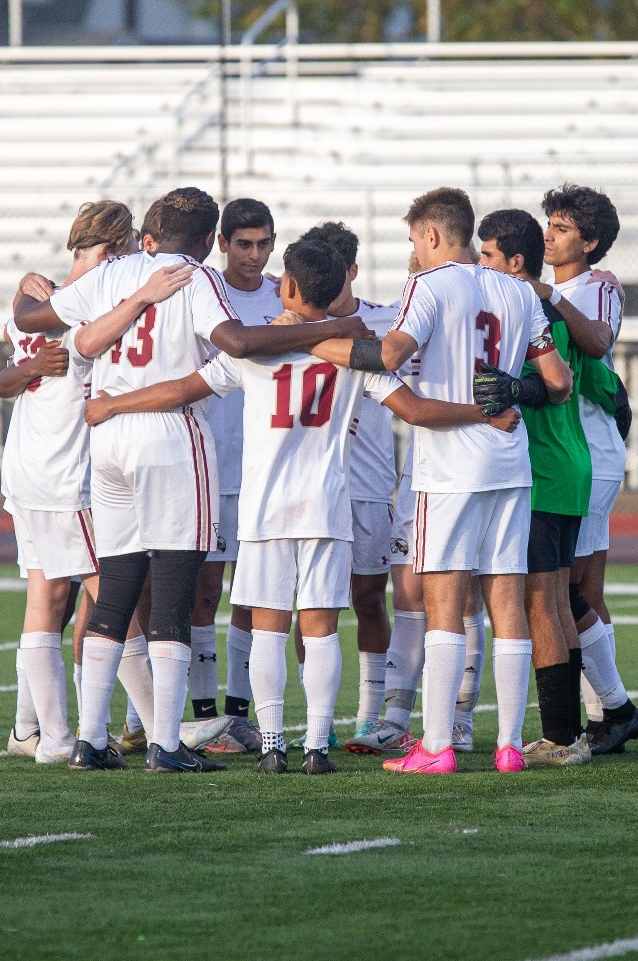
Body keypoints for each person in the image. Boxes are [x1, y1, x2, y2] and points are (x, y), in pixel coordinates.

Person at [85, 239, 516, 773]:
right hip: (326, 509)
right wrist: (483, 413)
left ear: (287, 285)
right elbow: (417, 410)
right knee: (321, 629)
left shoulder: (254, 351)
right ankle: (316, 746)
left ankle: (272, 746)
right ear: (337, 291)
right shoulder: (353, 354)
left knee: (268, 628)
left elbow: (181, 389)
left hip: (265, 511)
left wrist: (113, 404)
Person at [13, 187, 367, 773]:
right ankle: (166, 744)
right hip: (172, 435)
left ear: (151, 231)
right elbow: (237, 343)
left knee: (116, 588)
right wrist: (330, 327)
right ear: (209, 240)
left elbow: (31, 320)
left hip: (108, 435)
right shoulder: (196, 277)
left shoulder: (114, 272)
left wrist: (29, 287)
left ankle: (90, 739)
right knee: (175, 594)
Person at [323, 187, 571, 775]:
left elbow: (390, 354)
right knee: (505, 601)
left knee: (444, 603)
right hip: (511, 461)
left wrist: (316, 342)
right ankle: (509, 746)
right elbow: (557, 382)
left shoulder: (430, 285)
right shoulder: (518, 290)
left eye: (414, 237)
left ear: (432, 235)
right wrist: (514, 391)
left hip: (451, 465)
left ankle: (436, 745)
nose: (413, 248)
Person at [0, 200, 165, 765]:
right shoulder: (89, 304)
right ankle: (162, 730)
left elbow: (9, 364)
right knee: (115, 598)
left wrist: (24, 293)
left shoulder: (35, 302)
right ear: (112, 251)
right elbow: (21, 372)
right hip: (68, 475)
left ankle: (48, 737)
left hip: (27, 472)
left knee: (44, 599)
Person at [478, 208, 606, 766]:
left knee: (539, 604)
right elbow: (596, 374)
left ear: (515, 262)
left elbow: (557, 382)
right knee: (554, 600)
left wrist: (512, 390)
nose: (479, 264)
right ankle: (569, 734)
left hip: (546, 465)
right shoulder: (549, 308)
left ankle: (559, 736)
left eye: (487, 255)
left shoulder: (525, 308)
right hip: (570, 462)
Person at [294, 222, 411, 753]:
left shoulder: (387, 321)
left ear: (353, 272)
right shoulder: (285, 328)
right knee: (310, 606)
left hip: (367, 486)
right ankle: (316, 719)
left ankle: (369, 716)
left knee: (368, 597)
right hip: (309, 485)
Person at [541, 184, 638, 753]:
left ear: (590, 242)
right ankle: (602, 716)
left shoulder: (596, 286)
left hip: (588, 452)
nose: (549, 236)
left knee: (563, 590)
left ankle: (616, 706)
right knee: (586, 591)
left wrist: (548, 298)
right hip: (576, 450)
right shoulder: (554, 289)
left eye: (562, 228)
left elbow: (598, 338)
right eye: (549, 224)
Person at [184, 198, 284, 757]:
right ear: (222, 243)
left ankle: (240, 715)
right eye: (243, 244)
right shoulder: (203, 292)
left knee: (253, 595)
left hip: (264, 469)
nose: (254, 254)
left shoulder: (283, 297)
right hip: (209, 463)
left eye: (263, 243)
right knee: (205, 592)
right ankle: (205, 719)